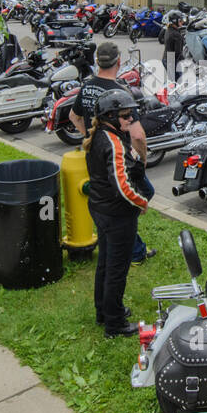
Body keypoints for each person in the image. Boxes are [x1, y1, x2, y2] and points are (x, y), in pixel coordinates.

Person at [69, 42, 157, 268]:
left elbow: (73, 116)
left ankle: (130, 246)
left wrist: (92, 137)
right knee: (141, 194)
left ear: (97, 61)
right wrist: (142, 161)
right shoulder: (120, 92)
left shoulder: (86, 87)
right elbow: (137, 134)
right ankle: (134, 250)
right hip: (118, 157)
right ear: (119, 62)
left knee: (108, 201)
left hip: (96, 157)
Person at [84, 89, 150, 337]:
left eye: (131, 114)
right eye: (125, 115)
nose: (130, 119)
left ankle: (104, 311)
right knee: (117, 269)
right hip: (116, 214)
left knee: (105, 263)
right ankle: (115, 323)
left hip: (102, 209)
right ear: (110, 116)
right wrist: (141, 201)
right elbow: (122, 185)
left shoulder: (103, 135)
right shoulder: (112, 142)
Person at [161, 10, 186, 82]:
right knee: (177, 81)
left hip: (166, 58)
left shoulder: (168, 30)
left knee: (172, 80)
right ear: (175, 21)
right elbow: (178, 52)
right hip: (172, 60)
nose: (182, 22)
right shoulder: (176, 35)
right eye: (180, 20)